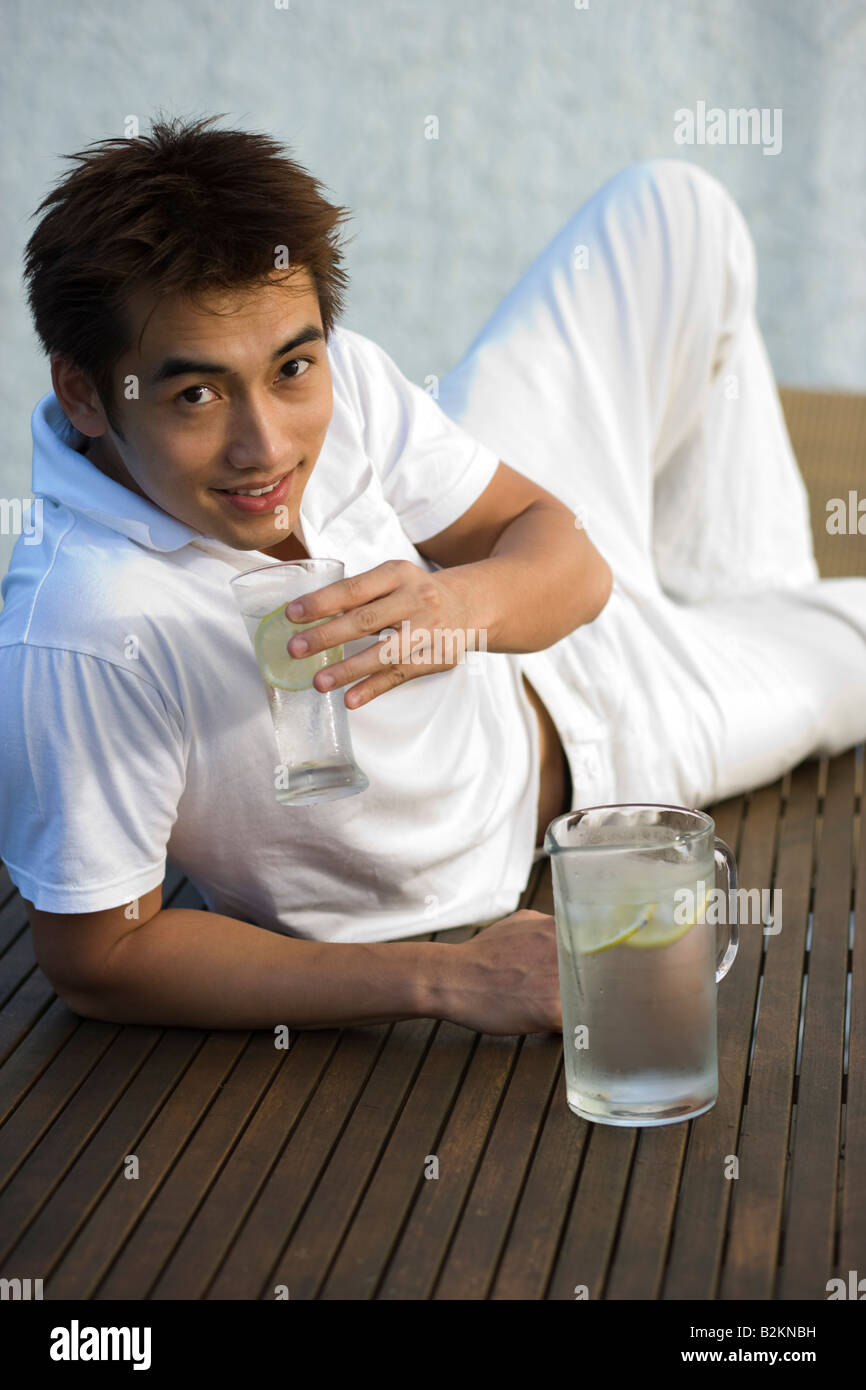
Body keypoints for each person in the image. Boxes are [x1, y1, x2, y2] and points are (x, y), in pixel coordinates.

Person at [2, 115, 864, 1039]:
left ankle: (744, 604)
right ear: (87, 392)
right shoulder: (84, 628)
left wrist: (460, 603)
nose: (268, 448)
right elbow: (101, 960)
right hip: (612, 730)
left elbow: (567, 559)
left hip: (543, 635)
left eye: (293, 367)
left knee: (673, 213)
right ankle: (764, 634)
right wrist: (445, 979)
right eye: (197, 395)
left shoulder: (343, 388)